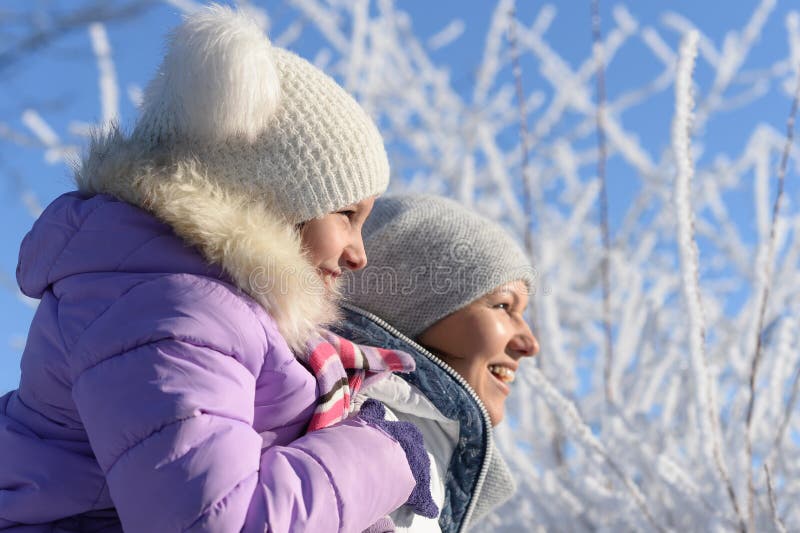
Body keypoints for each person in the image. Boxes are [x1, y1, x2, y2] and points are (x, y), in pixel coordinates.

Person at [0, 6, 434, 532]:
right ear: (266, 197)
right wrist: (383, 452)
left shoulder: (187, 296)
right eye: (346, 214)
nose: (357, 253)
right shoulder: (168, 310)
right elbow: (216, 521)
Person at [334, 194, 540, 533]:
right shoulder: (365, 444)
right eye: (504, 306)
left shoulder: (419, 458)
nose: (530, 344)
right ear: (406, 301)